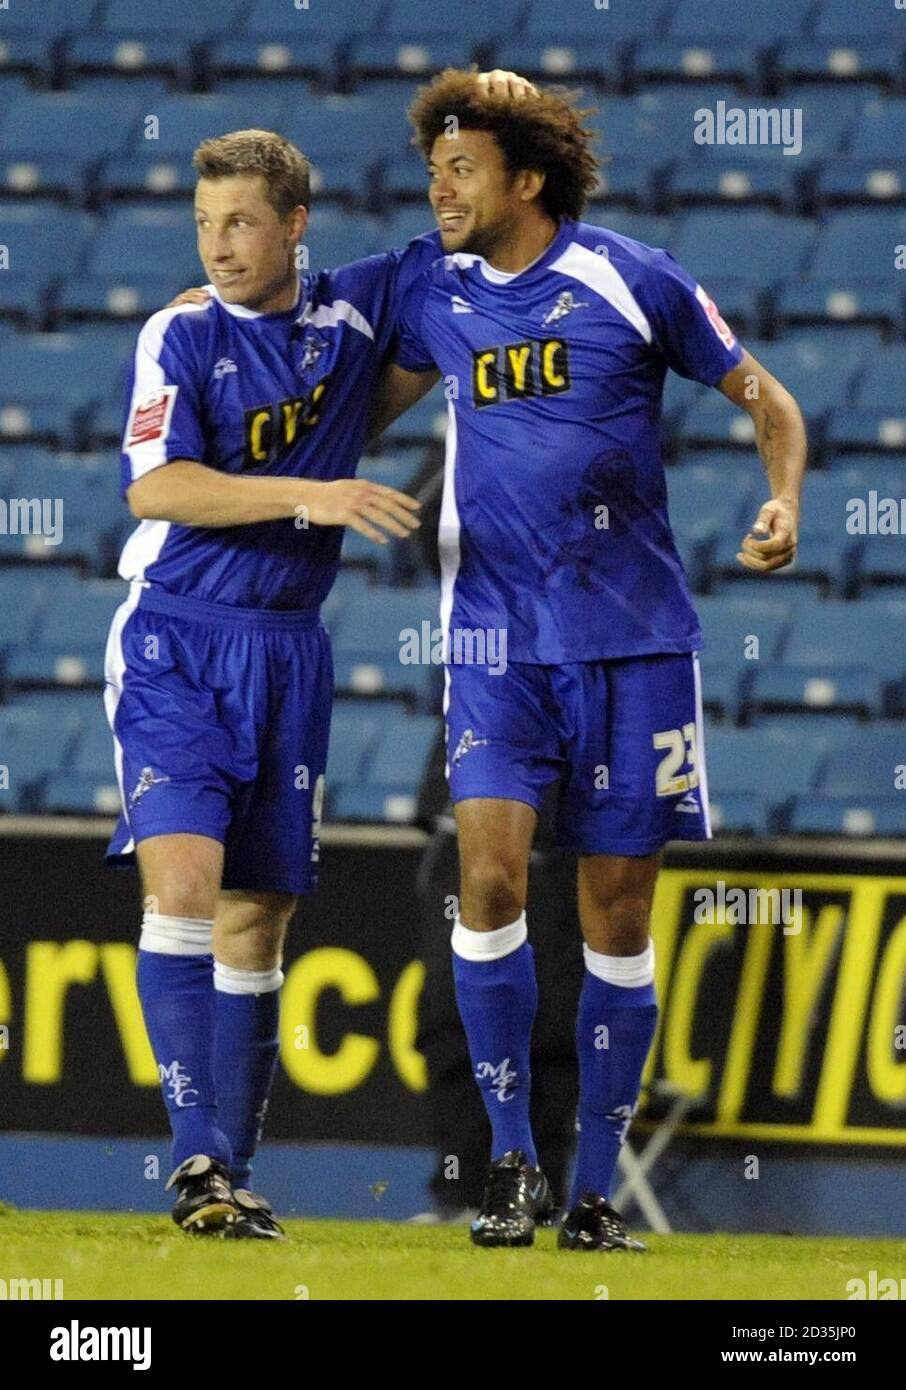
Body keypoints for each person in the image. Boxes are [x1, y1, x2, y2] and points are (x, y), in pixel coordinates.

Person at [369, 70, 807, 1250]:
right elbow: (359, 416)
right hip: (495, 645)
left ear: (526, 179)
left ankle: (596, 1188)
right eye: (434, 165)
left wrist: (780, 500)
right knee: (491, 882)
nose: (439, 186)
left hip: (634, 645)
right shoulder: (434, 289)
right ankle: (510, 1166)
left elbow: (770, 397)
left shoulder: (633, 275)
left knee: (615, 916)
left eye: (462, 167)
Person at [107, 72, 533, 1241]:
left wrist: (503, 120)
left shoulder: (355, 311)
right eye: (206, 222)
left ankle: (229, 1177)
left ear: (296, 224)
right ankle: (195, 1161)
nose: (221, 243)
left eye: (242, 220)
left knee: (258, 921)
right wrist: (317, 491)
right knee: (185, 891)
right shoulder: (181, 331)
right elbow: (156, 486)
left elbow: (478, 241)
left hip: (289, 653)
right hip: (178, 639)